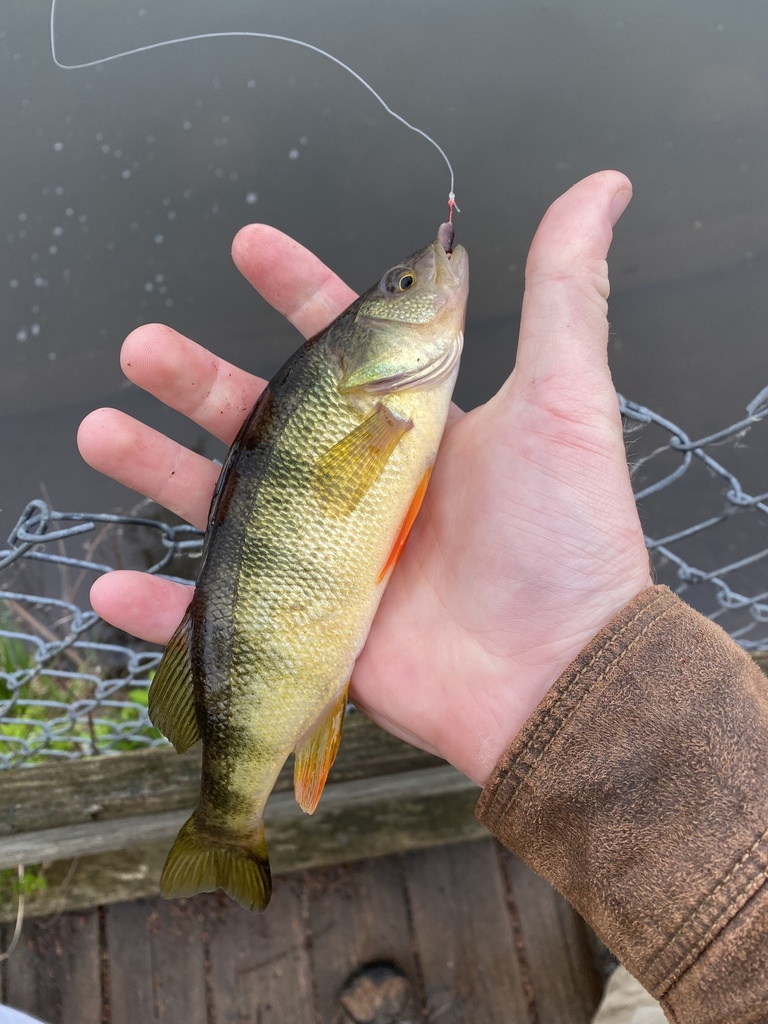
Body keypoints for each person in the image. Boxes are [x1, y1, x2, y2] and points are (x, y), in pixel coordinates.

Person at [77, 171, 768, 1024]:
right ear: (363, 355)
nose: (423, 280)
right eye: (403, 288)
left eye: (402, 284)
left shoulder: (389, 404)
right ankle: (229, 818)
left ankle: (230, 819)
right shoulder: (382, 409)